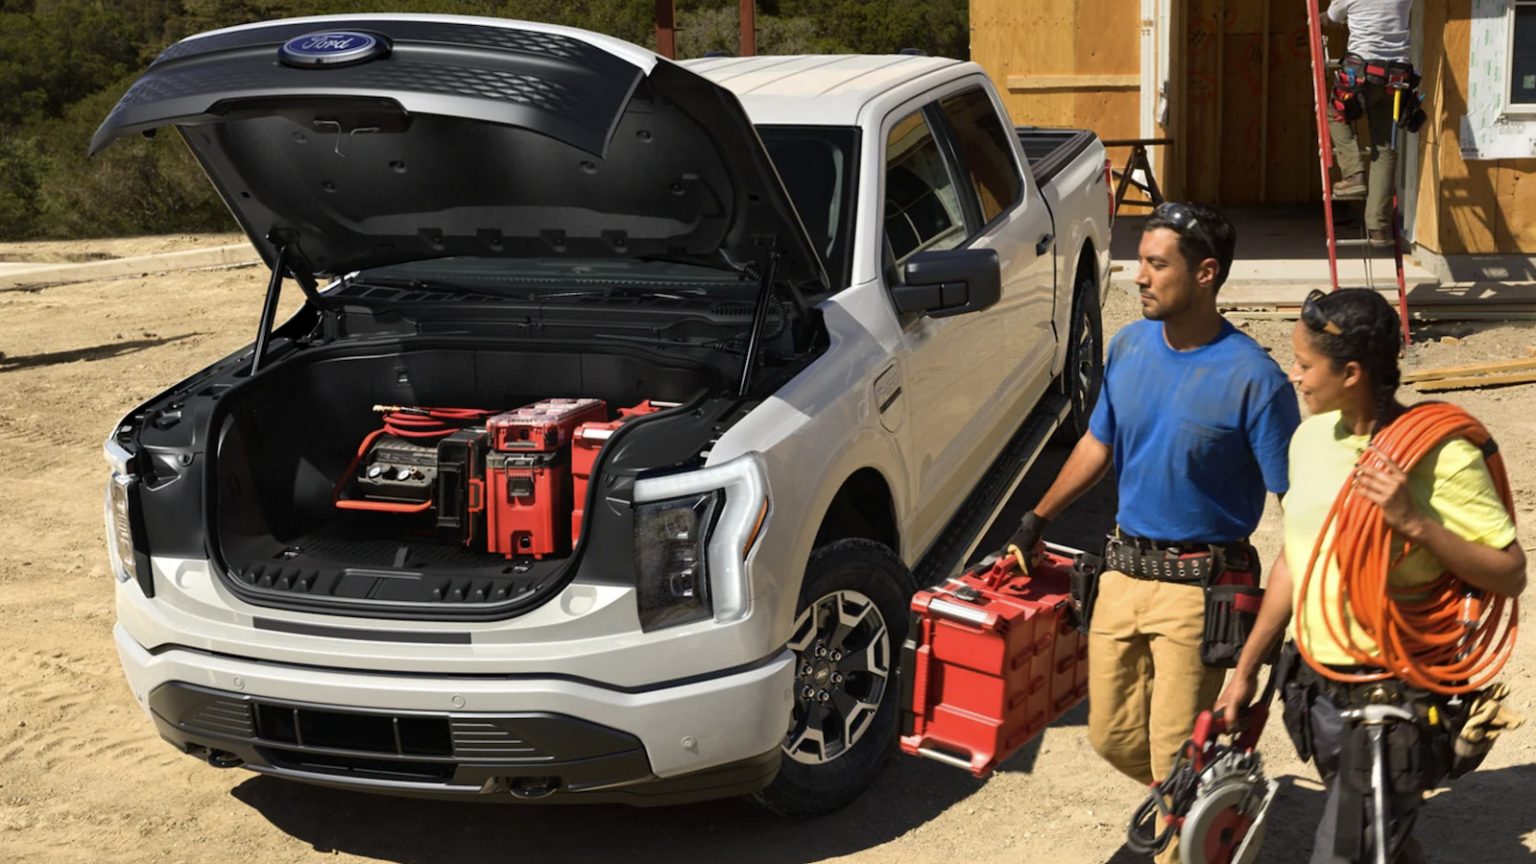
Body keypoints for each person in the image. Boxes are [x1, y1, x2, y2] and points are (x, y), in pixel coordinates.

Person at [1007, 201, 1300, 863]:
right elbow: (1097, 444)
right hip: (1121, 575)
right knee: (1109, 735)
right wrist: (1037, 518)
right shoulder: (1130, 346)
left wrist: (1262, 645)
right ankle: (1203, 806)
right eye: (1139, 261)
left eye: (1155, 264)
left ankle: (1188, 825)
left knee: (1176, 753)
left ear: (1205, 273)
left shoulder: (1255, 379)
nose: (1137, 276)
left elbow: (1299, 513)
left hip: (1200, 594)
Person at [1215, 288, 1527, 863]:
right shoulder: (1309, 440)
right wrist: (1244, 671)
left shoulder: (1439, 455)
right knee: (1378, 841)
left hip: (1389, 703)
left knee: (1344, 852)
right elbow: (1295, 557)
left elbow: (1510, 574)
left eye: (1306, 365)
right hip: (1317, 693)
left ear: (1352, 372)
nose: (1295, 377)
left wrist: (1415, 523)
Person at [1324, 0, 1415, 246]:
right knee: (1385, 149)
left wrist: (1323, 18)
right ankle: (1378, 228)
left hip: (1360, 71)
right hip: (1396, 77)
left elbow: (1332, 18)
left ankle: (1353, 174)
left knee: (1335, 114)